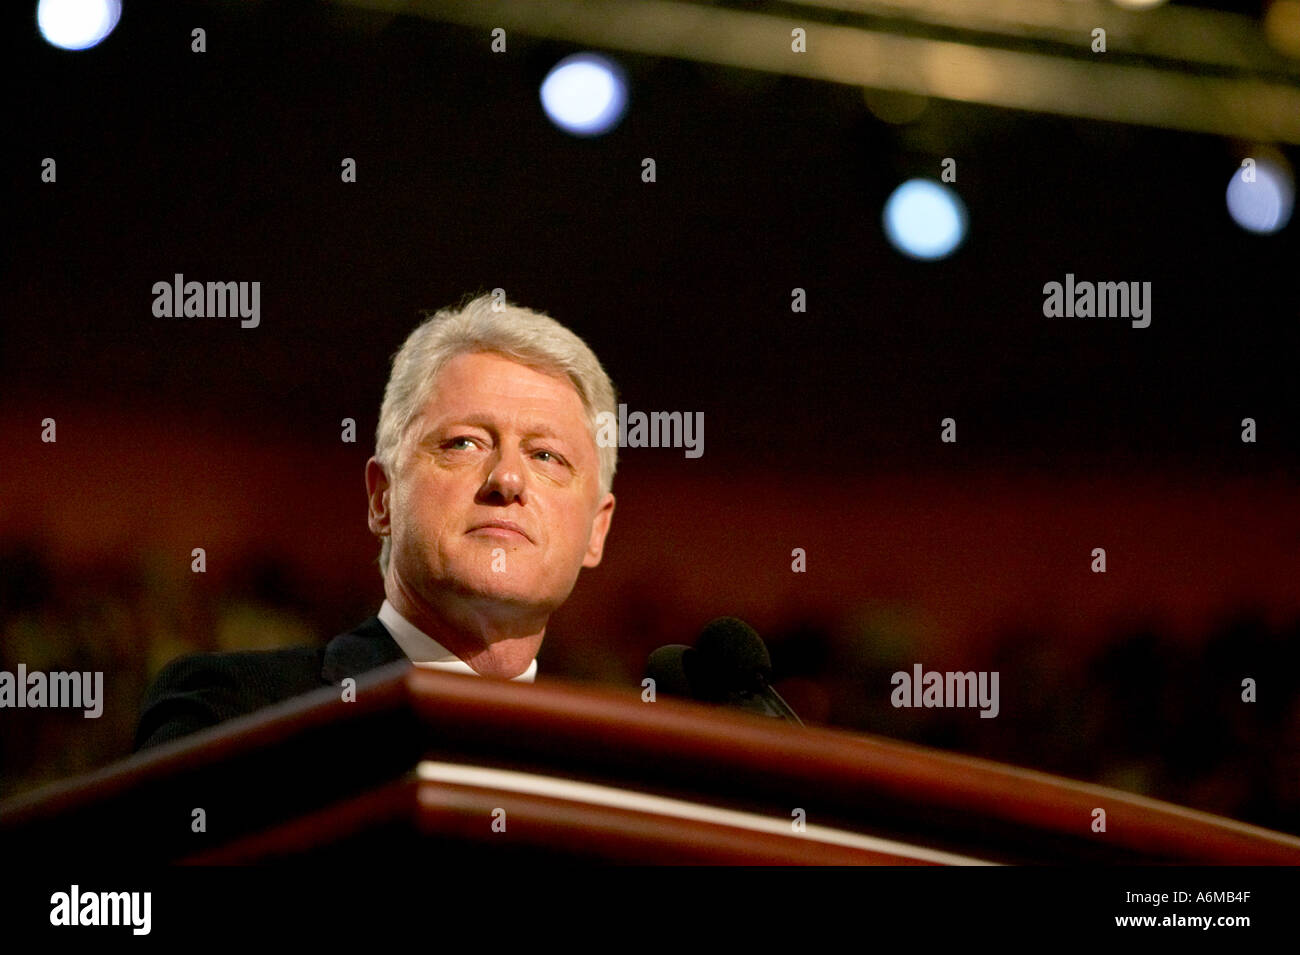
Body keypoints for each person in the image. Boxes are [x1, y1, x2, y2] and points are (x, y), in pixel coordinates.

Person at [134, 293, 618, 750]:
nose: (508, 478)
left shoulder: (614, 768)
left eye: (547, 455)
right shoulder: (235, 711)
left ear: (597, 530)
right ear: (382, 498)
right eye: (464, 443)